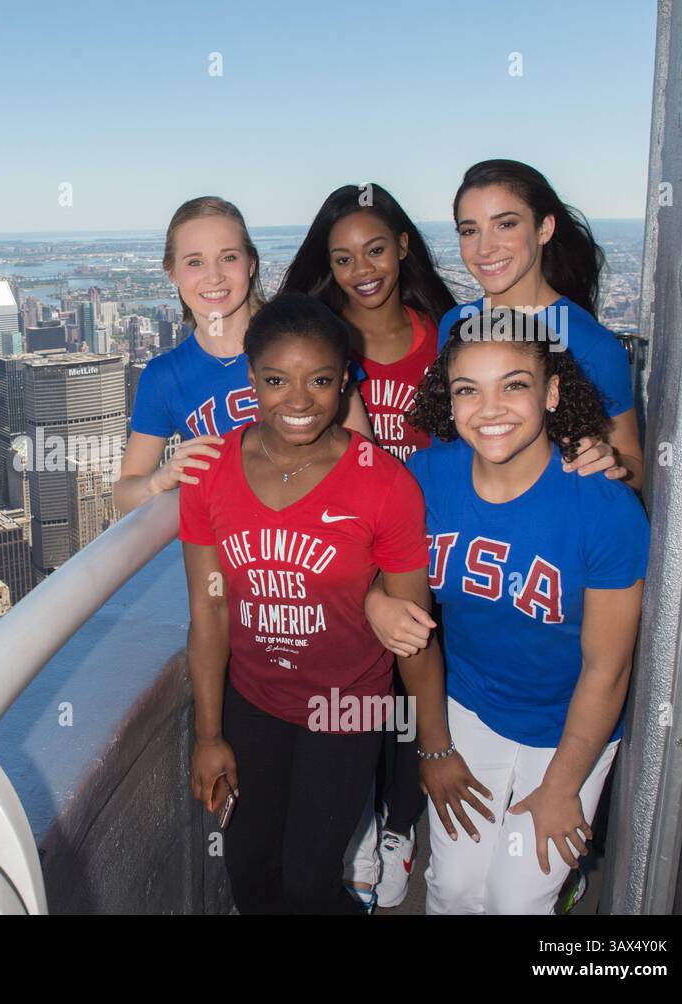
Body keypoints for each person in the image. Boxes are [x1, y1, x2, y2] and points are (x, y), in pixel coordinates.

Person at [179, 293, 442, 913]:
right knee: (249, 872)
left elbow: (412, 633)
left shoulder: (384, 484)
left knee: (308, 882)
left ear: (346, 380)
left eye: (320, 380)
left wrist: (435, 749)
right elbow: (210, 611)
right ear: (252, 379)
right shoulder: (211, 474)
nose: (297, 401)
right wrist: (209, 733)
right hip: (254, 705)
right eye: (276, 380)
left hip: (346, 711)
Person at [397, 309, 648, 914]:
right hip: (471, 705)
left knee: (516, 894)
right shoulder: (424, 479)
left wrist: (563, 785)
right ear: (448, 399)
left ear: (552, 391)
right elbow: (365, 575)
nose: (490, 409)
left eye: (514, 384)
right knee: (454, 886)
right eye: (467, 390)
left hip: (569, 726)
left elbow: (606, 669)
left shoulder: (605, 508)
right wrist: (433, 748)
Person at [279, 183, 457, 908]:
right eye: (343, 256)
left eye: (376, 249)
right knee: (363, 687)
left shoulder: (448, 334)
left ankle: (401, 820)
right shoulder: (323, 343)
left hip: (439, 541)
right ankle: (367, 818)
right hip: (356, 548)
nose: (362, 269)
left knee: (423, 675)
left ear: (404, 247)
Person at [114, 196, 373, 516]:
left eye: (229, 257)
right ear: (172, 274)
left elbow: (364, 456)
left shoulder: (307, 334)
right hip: (236, 552)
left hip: (324, 535)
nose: (214, 276)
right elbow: (125, 491)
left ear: (251, 264)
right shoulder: (164, 376)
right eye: (194, 262)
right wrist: (160, 480)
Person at [438, 159, 643, 489]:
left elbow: (635, 467)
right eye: (470, 230)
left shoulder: (590, 343)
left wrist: (607, 460)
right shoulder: (454, 324)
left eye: (505, 225)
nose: (485, 248)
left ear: (544, 228)